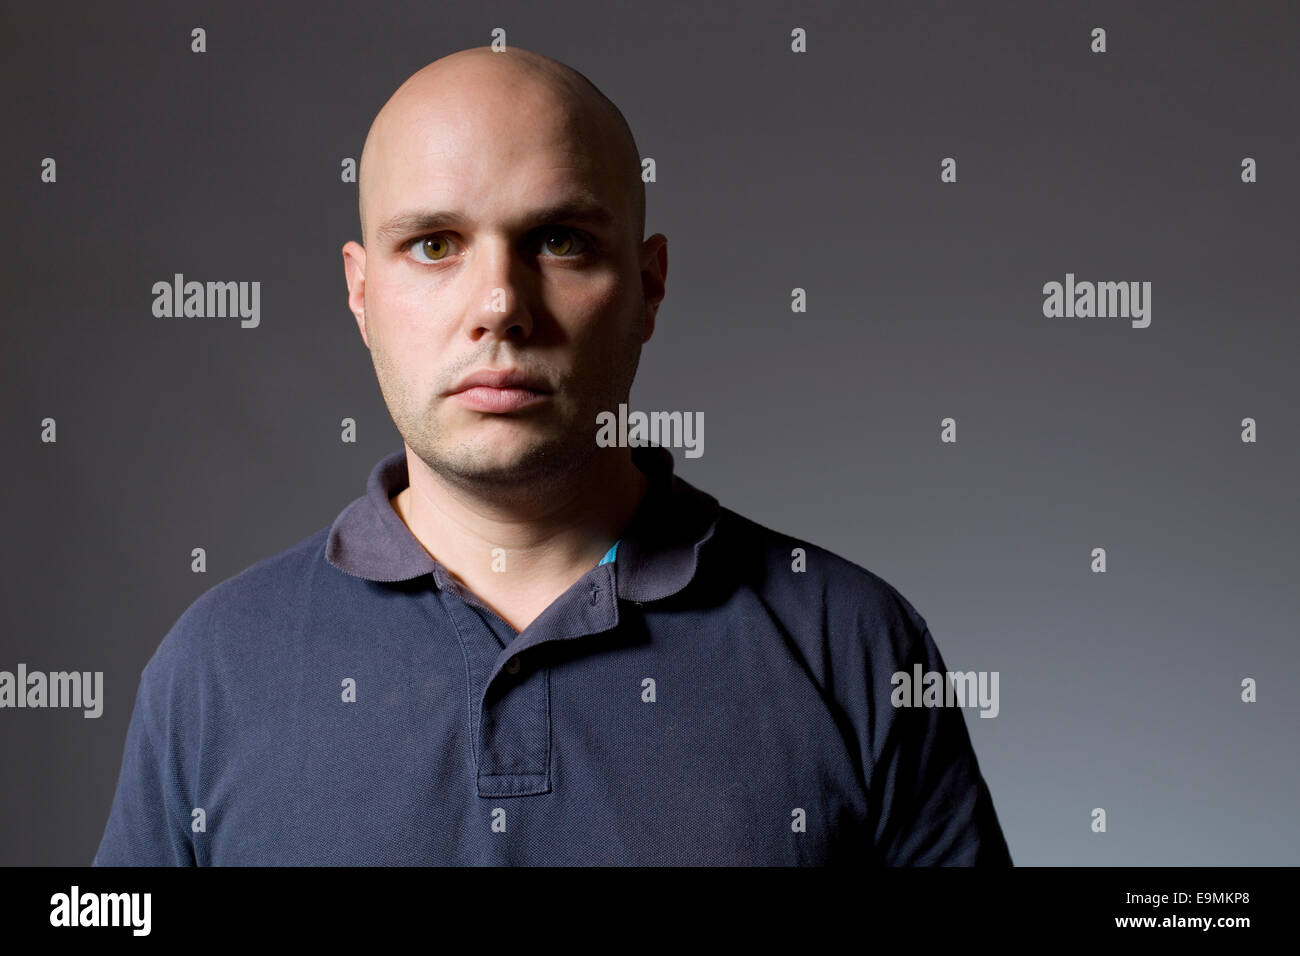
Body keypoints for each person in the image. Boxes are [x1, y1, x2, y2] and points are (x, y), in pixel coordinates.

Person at [93, 45, 1012, 866]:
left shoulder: (852, 644)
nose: (500, 303)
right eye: (434, 244)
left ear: (648, 288)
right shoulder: (213, 667)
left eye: (559, 241)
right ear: (361, 294)